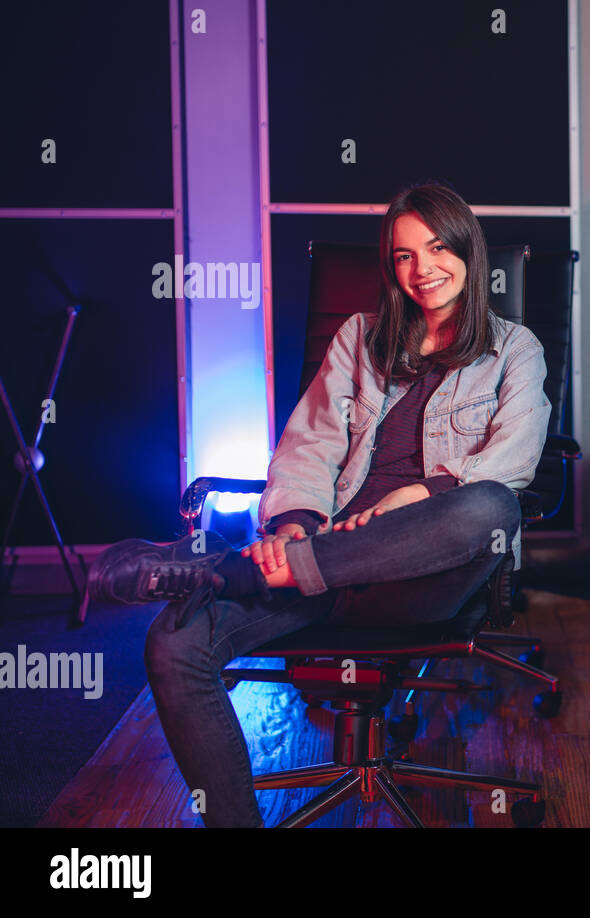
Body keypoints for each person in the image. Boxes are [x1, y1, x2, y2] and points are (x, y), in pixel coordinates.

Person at [85, 181, 551, 826]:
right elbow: (309, 444)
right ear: (390, 267)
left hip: (420, 575)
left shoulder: (515, 349)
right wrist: (297, 524)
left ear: (470, 253)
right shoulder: (358, 338)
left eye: (438, 248)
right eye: (403, 256)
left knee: (492, 507)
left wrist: (419, 494)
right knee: (174, 642)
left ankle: (232, 568)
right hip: (321, 560)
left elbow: (515, 460)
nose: (423, 270)